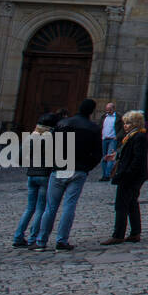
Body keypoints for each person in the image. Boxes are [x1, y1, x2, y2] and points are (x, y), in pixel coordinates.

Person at [32, 99, 103, 251]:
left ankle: (41, 241)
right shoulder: (94, 128)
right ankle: (62, 241)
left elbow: (49, 145)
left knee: (50, 207)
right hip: (78, 171)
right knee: (69, 207)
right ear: (91, 111)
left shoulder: (63, 124)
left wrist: (53, 163)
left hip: (60, 168)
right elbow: (97, 154)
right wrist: (86, 167)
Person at [13, 112, 61, 248]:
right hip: (45, 175)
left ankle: (18, 237)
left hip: (31, 174)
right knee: (41, 208)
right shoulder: (52, 138)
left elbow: (20, 158)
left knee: (29, 208)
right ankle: (33, 238)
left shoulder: (32, 137)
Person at [101, 110, 148, 245]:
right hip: (131, 174)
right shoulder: (131, 136)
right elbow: (129, 153)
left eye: (128, 123)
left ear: (135, 124)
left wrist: (127, 172)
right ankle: (135, 233)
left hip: (131, 176)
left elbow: (137, 158)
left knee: (121, 204)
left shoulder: (138, 137)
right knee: (132, 203)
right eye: (125, 123)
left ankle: (119, 234)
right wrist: (116, 156)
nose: (125, 125)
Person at [99, 102, 118, 181]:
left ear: (114, 109)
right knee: (104, 157)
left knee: (110, 157)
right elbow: (101, 126)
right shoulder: (104, 117)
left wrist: (117, 137)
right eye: (107, 109)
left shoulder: (118, 117)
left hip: (112, 139)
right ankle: (104, 174)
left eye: (110, 110)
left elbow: (121, 129)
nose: (108, 111)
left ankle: (107, 175)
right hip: (104, 138)